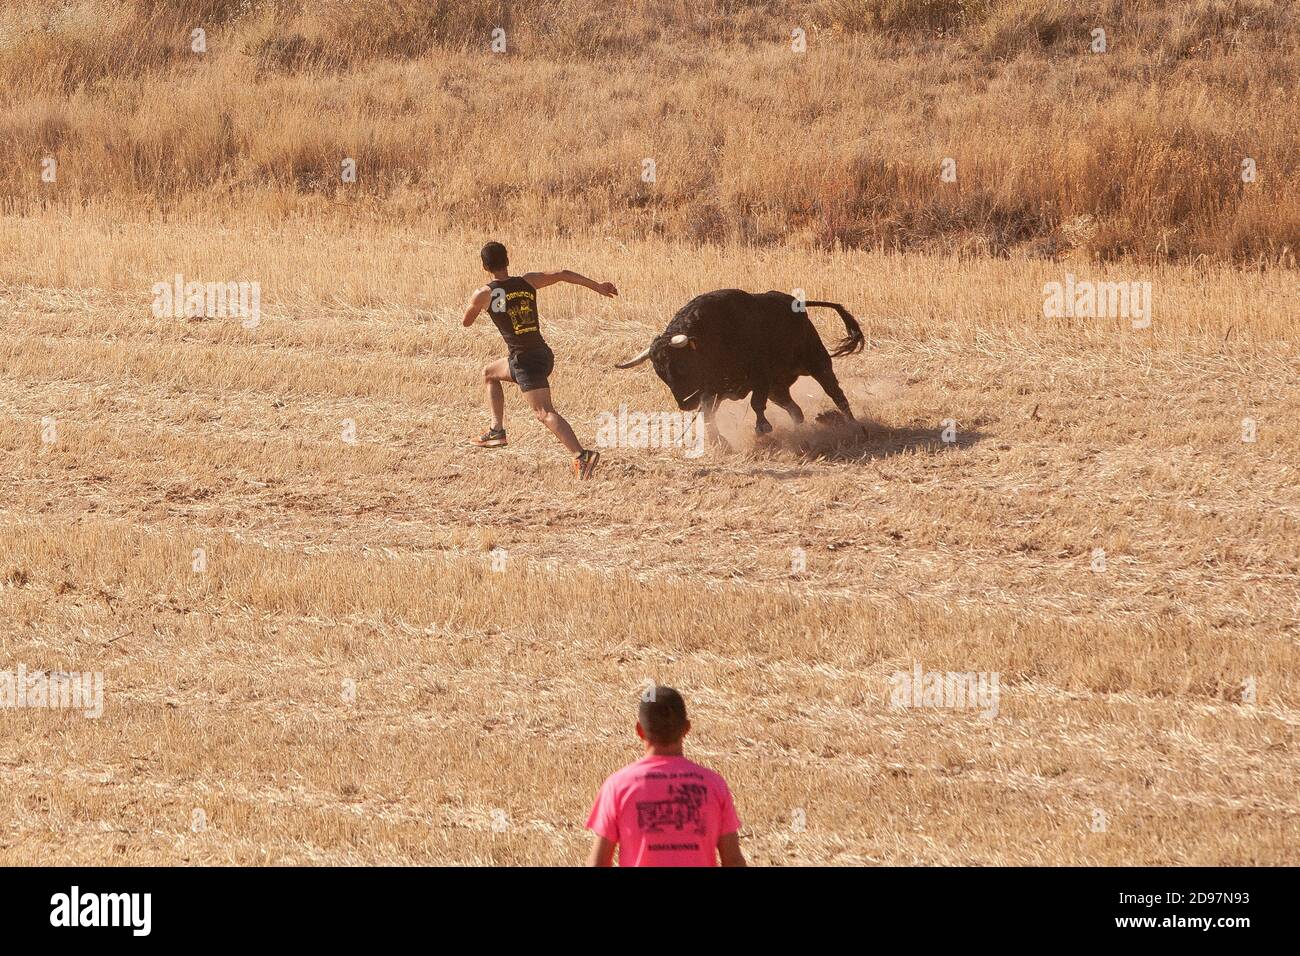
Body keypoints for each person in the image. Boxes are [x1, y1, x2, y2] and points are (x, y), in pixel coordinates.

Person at [461, 241, 616, 479]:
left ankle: (581, 456)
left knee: (543, 412)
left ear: (485, 266)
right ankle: (496, 431)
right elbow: (563, 274)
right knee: (490, 373)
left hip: (526, 362)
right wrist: (598, 287)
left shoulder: (485, 293)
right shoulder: (528, 281)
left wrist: (481, 304)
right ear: (508, 260)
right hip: (541, 354)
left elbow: (466, 322)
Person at [585, 686, 746, 867]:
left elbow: (598, 862)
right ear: (687, 728)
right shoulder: (714, 785)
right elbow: (733, 860)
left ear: (639, 730)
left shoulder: (617, 786)